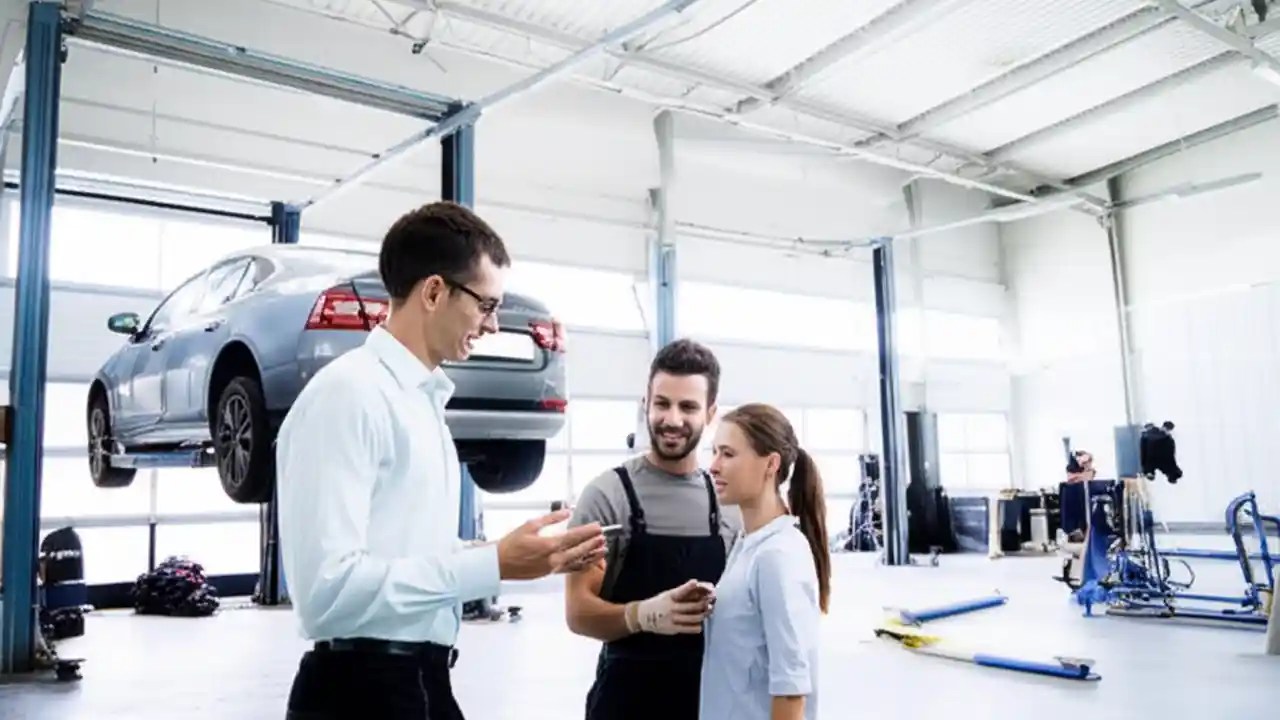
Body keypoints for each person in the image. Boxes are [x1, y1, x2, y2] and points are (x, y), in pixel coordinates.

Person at [275, 201, 607, 720]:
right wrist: (491, 564)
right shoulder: (348, 396)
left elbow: (406, 550)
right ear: (433, 292)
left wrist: (516, 557)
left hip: (422, 681)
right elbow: (326, 593)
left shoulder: (420, 403)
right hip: (359, 695)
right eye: (486, 305)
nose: (492, 325)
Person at [565, 338, 741, 720]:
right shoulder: (607, 496)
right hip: (626, 702)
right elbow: (578, 612)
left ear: (711, 414)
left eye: (688, 407)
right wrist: (641, 615)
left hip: (708, 701)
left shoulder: (729, 503)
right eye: (662, 403)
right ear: (647, 402)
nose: (672, 419)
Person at [699, 403, 830, 720]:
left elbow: (791, 688)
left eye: (728, 454)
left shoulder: (776, 556)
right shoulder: (748, 544)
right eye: (714, 452)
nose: (714, 466)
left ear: (771, 464)